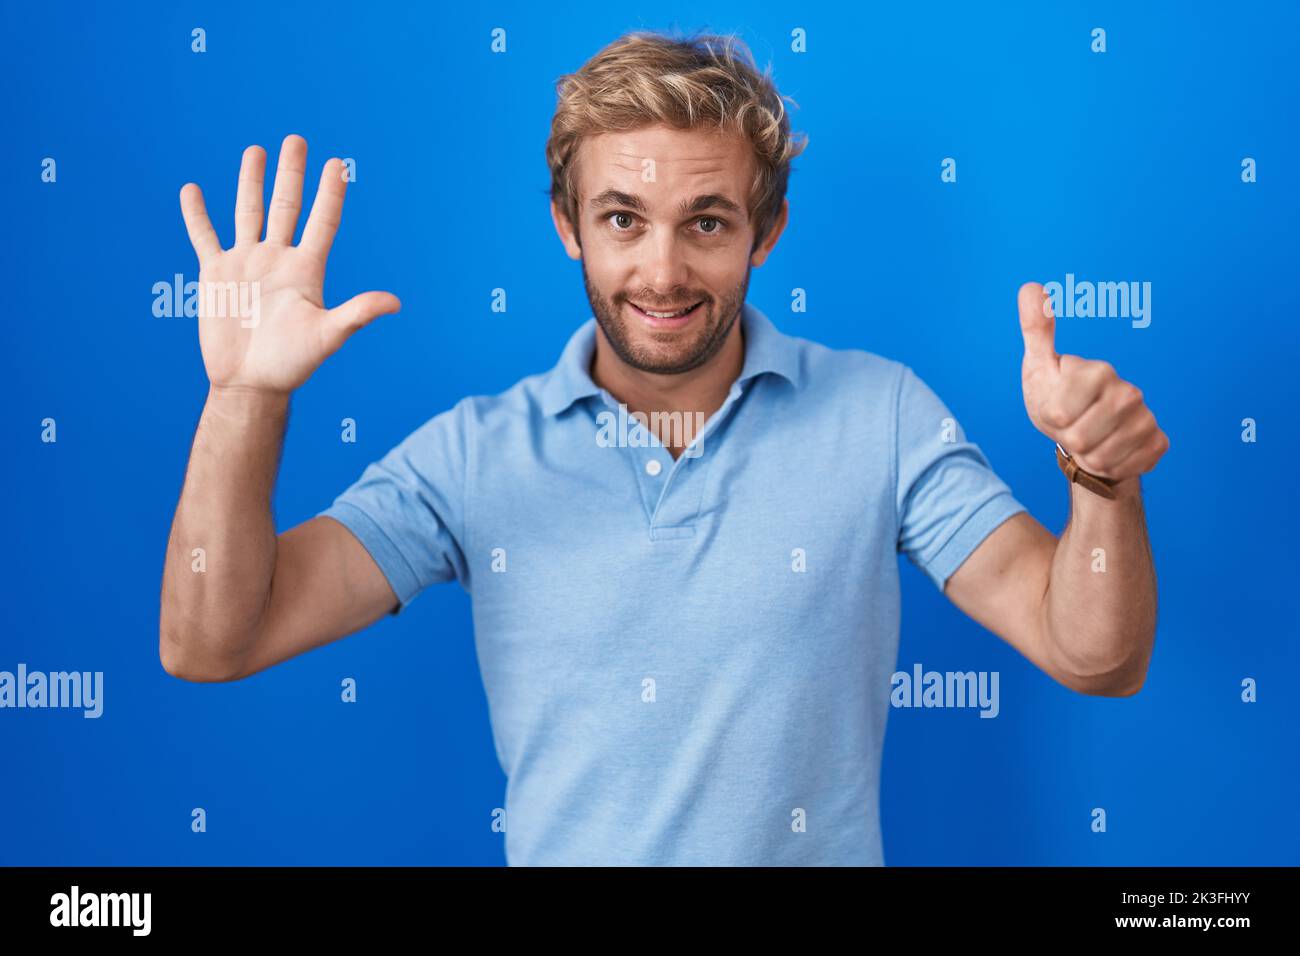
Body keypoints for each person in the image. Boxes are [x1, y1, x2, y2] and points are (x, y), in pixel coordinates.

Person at [160, 31, 1169, 865]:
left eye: (706, 222)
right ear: (568, 225)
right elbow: (213, 640)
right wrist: (243, 396)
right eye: (621, 219)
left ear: (765, 229)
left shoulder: (881, 413)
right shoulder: (471, 455)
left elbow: (1092, 653)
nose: (662, 268)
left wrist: (1101, 480)